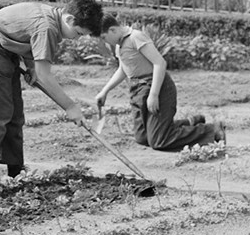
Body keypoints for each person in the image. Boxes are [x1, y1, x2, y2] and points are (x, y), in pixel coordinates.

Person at [0, 0, 104, 181]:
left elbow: (26, 38)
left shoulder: (53, 19)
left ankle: (16, 171)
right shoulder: (47, 27)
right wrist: (70, 107)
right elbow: (44, 75)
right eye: (79, 33)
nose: (77, 39)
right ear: (70, 19)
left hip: (7, 50)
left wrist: (31, 66)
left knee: (15, 114)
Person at [95, 14, 225, 151]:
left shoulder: (135, 37)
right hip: (138, 91)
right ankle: (189, 122)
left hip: (158, 87)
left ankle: (212, 130)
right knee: (142, 138)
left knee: (159, 141)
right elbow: (123, 70)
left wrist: (154, 94)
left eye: (104, 37)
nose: (105, 42)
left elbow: (160, 63)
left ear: (113, 30)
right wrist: (105, 91)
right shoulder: (119, 46)